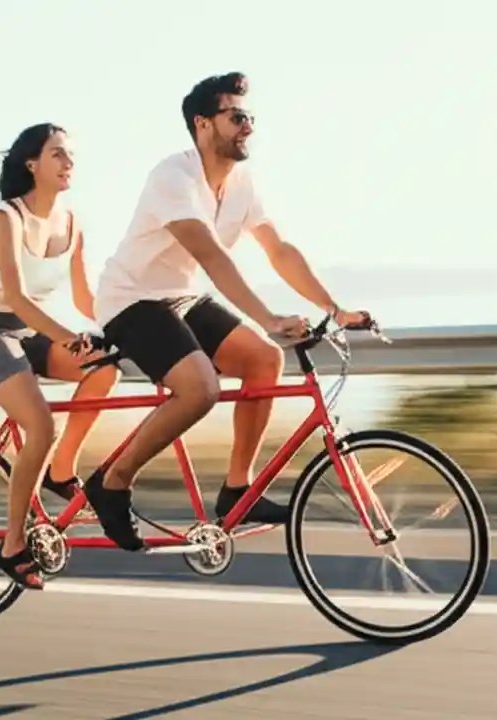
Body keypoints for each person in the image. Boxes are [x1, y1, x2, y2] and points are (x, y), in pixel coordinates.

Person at [85, 72, 371, 551]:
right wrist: (269, 318)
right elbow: (212, 257)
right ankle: (112, 481)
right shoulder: (172, 178)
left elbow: (277, 249)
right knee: (200, 389)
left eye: (250, 118)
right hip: (131, 299)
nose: (248, 127)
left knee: (264, 360)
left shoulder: (242, 183)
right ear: (203, 124)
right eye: (237, 117)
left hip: (181, 297)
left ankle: (238, 489)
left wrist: (333, 308)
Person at [0, 122, 120, 588]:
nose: (69, 163)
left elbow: (86, 298)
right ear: (32, 164)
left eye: (71, 155)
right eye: (58, 155)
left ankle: (61, 469)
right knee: (41, 424)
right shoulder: (6, 217)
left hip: (31, 334)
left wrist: (123, 327)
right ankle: (12, 545)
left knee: (104, 370)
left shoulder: (72, 223)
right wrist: (70, 338)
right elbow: (18, 297)